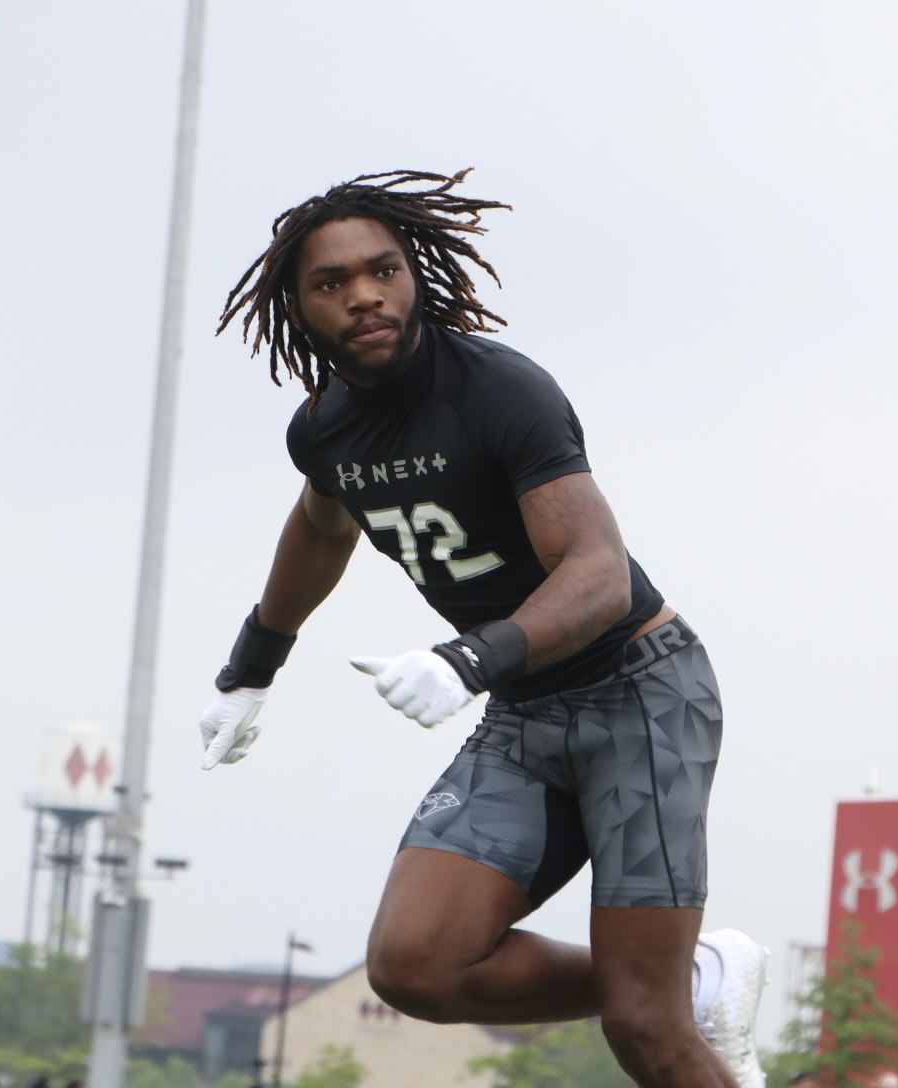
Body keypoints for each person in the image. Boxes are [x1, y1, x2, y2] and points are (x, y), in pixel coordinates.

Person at [199, 170, 768, 1088]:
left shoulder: (499, 390)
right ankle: (692, 978)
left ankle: (665, 991)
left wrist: (469, 657)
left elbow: (597, 570)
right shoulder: (323, 433)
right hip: (526, 711)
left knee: (643, 1028)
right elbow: (321, 524)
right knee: (415, 965)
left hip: (640, 693)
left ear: (413, 273)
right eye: (331, 284)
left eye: (381, 270)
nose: (363, 296)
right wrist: (251, 668)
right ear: (298, 307)